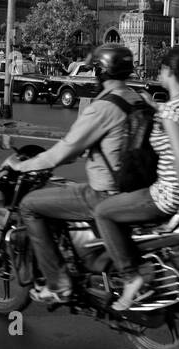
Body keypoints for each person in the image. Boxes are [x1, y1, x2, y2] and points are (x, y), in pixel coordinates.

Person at [10, 44, 140, 303]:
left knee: (30, 206)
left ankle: (58, 283)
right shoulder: (139, 100)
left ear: (101, 73)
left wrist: (23, 165)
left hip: (104, 193)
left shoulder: (102, 107)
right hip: (136, 188)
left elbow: (65, 151)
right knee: (66, 190)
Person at [94, 45, 179, 311]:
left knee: (103, 211)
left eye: (162, 68)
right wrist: (156, 108)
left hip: (173, 195)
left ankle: (131, 276)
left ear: (170, 72)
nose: (159, 72)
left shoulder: (172, 112)